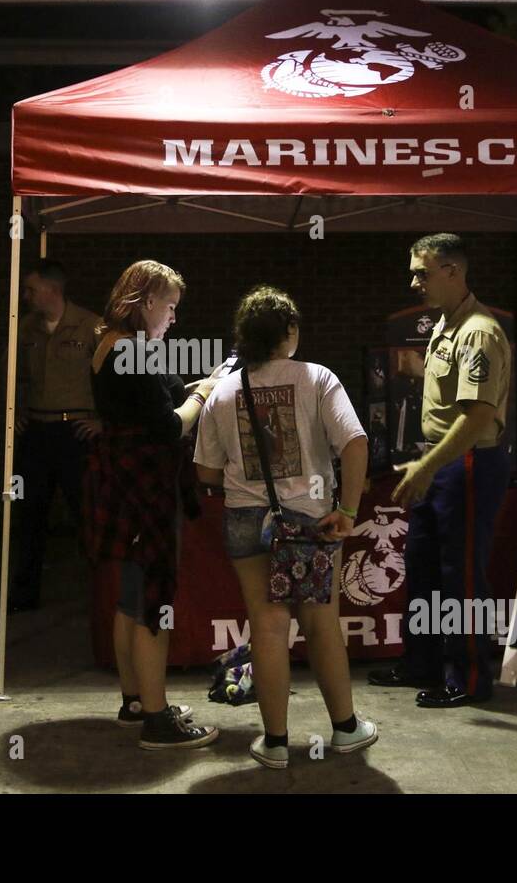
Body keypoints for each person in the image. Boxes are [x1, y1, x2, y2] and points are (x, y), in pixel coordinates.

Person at [195, 285, 377, 769]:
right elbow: (355, 443)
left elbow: (206, 473)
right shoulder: (317, 378)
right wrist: (350, 510)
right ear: (289, 332)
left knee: (268, 626)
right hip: (311, 520)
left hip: (245, 518)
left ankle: (274, 743)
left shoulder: (224, 391)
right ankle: (345, 729)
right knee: (321, 623)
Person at [368, 234, 511, 708]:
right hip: (440, 458)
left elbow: (477, 417)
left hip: (467, 462)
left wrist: (428, 465)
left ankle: (468, 679)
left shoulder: (478, 332)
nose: (414, 282)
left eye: (422, 272)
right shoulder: (445, 325)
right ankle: (422, 663)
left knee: (461, 574)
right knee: (423, 567)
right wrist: (426, 460)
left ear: (453, 272)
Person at [87, 259, 220, 750]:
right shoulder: (133, 352)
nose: (173, 317)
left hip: (123, 486)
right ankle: (158, 720)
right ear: (145, 303)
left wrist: (191, 388)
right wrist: (205, 393)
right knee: (152, 604)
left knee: (129, 599)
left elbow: (150, 407)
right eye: (169, 306)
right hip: (145, 489)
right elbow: (167, 426)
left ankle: (136, 700)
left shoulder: (113, 345)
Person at [1, 260, 102, 615]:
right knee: (30, 514)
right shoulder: (25, 329)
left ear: (52, 290)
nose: (26, 296)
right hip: (38, 434)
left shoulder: (91, 326)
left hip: (74, 432)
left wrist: (101, 421)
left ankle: (103, 593)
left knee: (87, 514)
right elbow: (14, 376)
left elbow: (113, 379)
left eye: (31, 289)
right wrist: (17, 412)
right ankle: (24, 593)